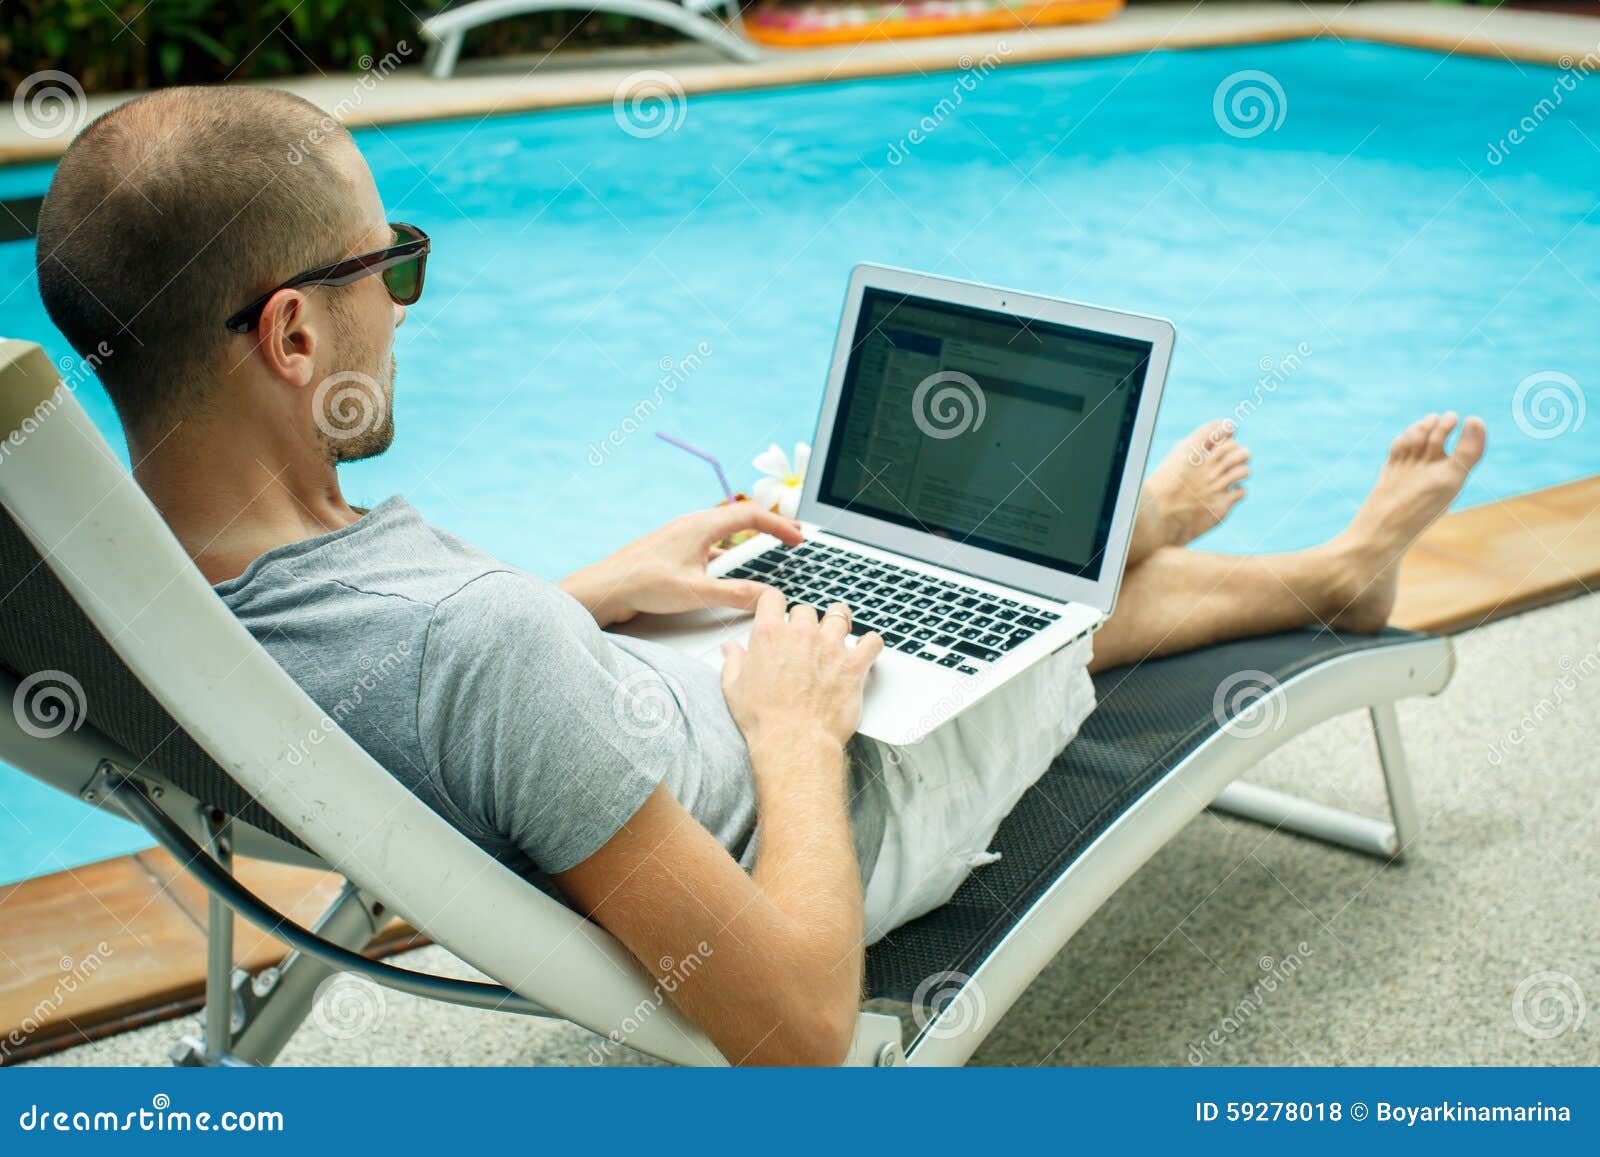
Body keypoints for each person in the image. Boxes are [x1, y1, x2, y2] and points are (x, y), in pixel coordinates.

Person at [34, 87, 1485, 1066]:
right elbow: (795, 1029)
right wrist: (797, 730)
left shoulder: (142, 609)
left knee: (895, 582)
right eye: (389, 266)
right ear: (293, 338)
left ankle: (1199, 558)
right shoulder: (469, 650)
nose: (401, 310)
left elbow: (408, 663)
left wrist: (575, 600)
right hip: (831, 795)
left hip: (630, 695)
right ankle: (1221, 550)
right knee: (1035, 611)